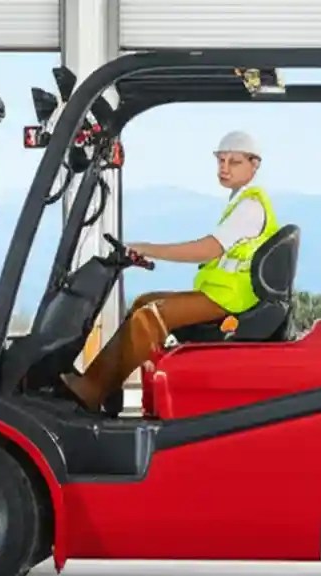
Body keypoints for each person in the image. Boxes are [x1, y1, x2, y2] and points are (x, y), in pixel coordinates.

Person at [60, 130, 280, 412]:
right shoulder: (241, 201)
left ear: (254, 165)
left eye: (234, 162)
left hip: (232, 299)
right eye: (221, 160)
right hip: (222, 294)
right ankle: (107, 387)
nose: (224, 168)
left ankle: (90, 391)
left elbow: (206, 250)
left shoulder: (249, 207)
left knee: (148, 319)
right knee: (144, 302)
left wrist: (150, 248)